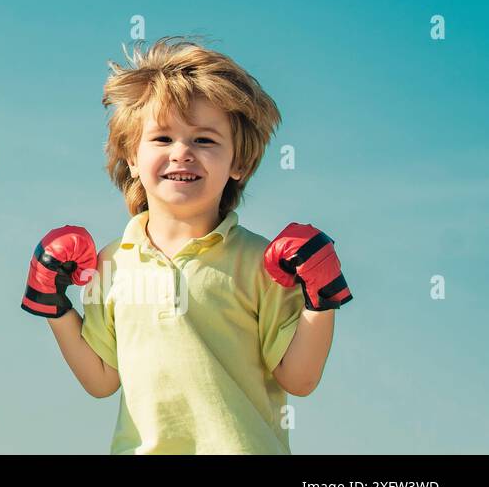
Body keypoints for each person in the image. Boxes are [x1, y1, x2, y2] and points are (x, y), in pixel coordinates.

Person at [21, 36, 352, 454]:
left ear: (240, 163)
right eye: (162, 139)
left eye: (204, 140)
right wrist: (52, 305)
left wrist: (321, 298)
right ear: (131, 158)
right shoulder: (112, 263)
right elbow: (101, 379)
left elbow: (299, 379)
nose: (182, 153)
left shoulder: (259, 262)